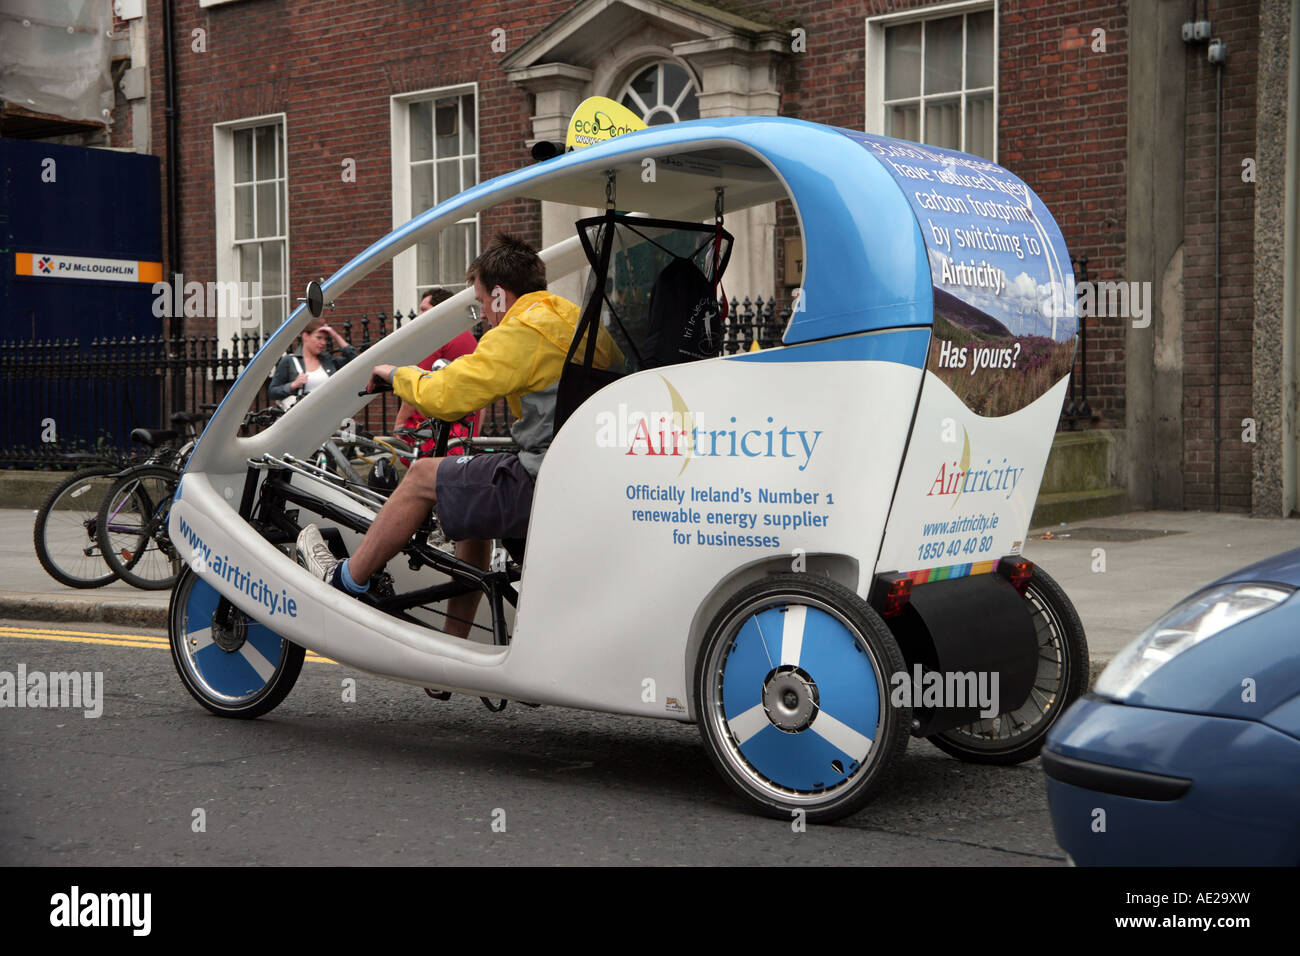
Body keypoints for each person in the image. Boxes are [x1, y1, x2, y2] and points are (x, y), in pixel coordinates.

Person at [297, 234, 622, 639]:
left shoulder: (522, 330)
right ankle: (454, 645)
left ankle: (345, 580)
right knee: (471, 502)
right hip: (580, 474)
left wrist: (396, 374)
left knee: (420, 477)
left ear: (500, 296)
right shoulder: (575, 318)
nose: (483, 313)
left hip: (542, 478)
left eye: (482, 301)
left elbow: (446, 397)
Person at [392, 287, 482, 458]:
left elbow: (417, 383)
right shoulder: (468, 337)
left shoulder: (437, 337)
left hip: (441, 429)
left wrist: (400, 423)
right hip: (465, 426)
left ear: (441, 310)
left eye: (424, 310)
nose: (419, 315)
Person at [268, 318, 356, 408]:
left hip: (328, 413)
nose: (323, 343)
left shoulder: (329, 361)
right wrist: (293, 385)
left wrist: (335, 335)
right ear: (305, 336)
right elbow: (272, 392)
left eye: (325, 339)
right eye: (319, 338)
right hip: (302, 416)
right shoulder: (289, 361)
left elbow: (355, 361)